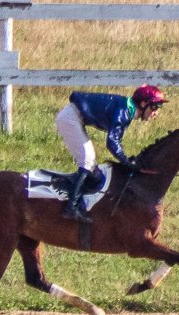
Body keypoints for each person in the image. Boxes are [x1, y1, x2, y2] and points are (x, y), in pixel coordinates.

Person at [54, 84, 167, 223]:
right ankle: (71, 208)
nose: (156, 113)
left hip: (74, 117)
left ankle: (79, 199)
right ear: (143, 104)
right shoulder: (124, 112)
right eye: (154, 107)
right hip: (70, 118)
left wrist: (125, 160)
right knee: (88, 160)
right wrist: (126, 162)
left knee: (93, 169)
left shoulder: (127, 109)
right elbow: (112, 142)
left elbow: (115, 140)